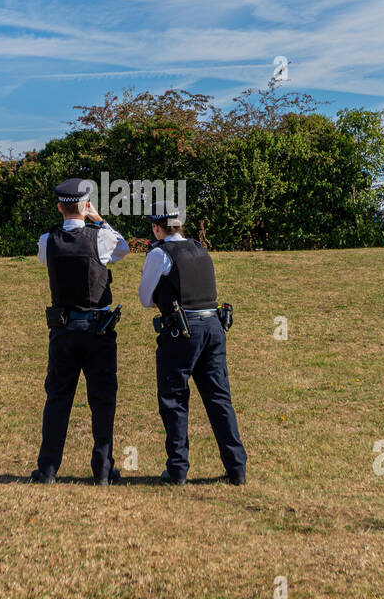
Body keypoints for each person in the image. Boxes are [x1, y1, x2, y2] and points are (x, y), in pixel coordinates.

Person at [138, 202, 247, 485]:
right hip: (214, 326)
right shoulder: (201, 248)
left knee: (174, 401)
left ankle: (177, 469)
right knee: (219, 400)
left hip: (181, 331)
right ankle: (237, 469)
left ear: (157, 227)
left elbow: (145, 299)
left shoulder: (159, 253)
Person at [31, 178, 129, 485]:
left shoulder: (47, 241)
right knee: (102, 400)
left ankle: (47, 469)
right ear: (85, 206)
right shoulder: (99, 238)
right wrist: (98, 219)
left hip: (63, 327)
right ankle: (102, 470)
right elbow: (123, 248)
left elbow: (43, 259)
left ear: (59, 206)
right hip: (98, 328)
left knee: (58, 398)